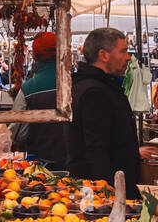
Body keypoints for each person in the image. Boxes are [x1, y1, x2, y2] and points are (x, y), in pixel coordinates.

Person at [69, 27, 140, 195]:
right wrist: (108, 194)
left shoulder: (99, 86)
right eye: (123, 51)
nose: (128, 57)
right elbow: (96, 150)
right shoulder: (95, 92)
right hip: (104, 194)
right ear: (104, 55)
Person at [10, 32, 69, 167]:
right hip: (74, 160)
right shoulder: (74, 82)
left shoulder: (29, 88)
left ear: (35, 56)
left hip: (41, 162)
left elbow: (17, 133)